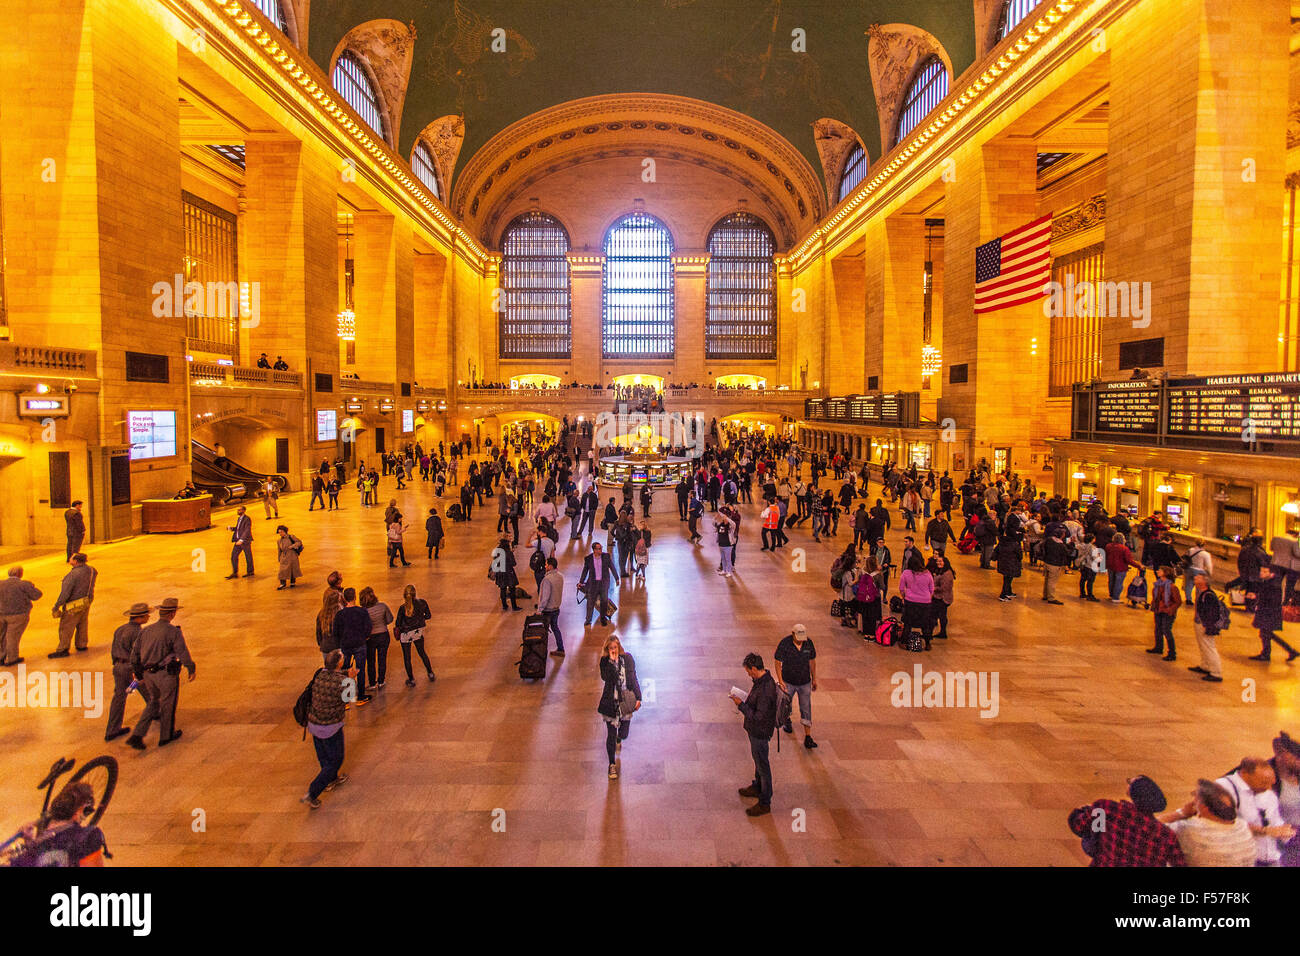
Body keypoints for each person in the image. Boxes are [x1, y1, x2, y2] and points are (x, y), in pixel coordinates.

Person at [1067, 775, 1185, 866]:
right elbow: (1179, 863)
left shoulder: (1107, 808)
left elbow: (1078, 825)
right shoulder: (1166, 836)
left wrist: (1087, 810)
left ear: (1131, 792)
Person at [125, 597, 196, 750]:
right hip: (165, 675)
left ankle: (137, 734)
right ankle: (166, 735)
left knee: (152, 702)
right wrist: (191, 667)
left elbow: (134, 655)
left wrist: (139, 673)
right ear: (172, 614)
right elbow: (182, 651)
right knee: (168, 703)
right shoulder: (172, 631)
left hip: (148, 674)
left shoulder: (146, 631)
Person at [1157, 780, 1263, 866]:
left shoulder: (1188, 830)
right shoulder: (1242, 827)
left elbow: (1149, 826)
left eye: (1196, 798)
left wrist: (1181, 813)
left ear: (1204, 808)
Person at [6, 781, 107, 867]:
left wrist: (28, 842)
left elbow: (35, 859)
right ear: (79, 811)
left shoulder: (35, 846)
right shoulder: (86, 837)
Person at [1217, 758, 1294, 866]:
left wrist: (1285, 831)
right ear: (1245, 774)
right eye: (1263, 782)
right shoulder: (1224, 787)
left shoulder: (1268, 794)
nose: (1268, 788)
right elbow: (1224, 824)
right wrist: (1266, 830)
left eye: (1270, 783)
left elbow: (1275, 821)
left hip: (1272, 858)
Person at [300, 650, 352, 809]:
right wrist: (352, 678)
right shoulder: (343, 682)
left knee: (323, 757)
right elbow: (349, 698)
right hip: (330, 727)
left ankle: (332, 780)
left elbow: (332, 677)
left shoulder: (319, 675)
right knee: (335, 760)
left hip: (314, 724)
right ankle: (312, 792)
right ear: (339, 663)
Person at [732, 652, 778, 817]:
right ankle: (757, 786)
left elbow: (758, 717)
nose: (748, 674)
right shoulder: (761, 681)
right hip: (756, 731)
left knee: (763, 765)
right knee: (758, 761)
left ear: (754, 668)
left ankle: (765, 802)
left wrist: (741, 705)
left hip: (760, 731)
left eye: (748, 671)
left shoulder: (766, 689)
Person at [597, 635, 641, 779]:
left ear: (619, 647)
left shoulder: (627, 659)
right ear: (607, 649)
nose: (613, 650)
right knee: (610, 733)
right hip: (611, 701)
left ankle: (619, 739)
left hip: (626, 700)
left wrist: (639, 697)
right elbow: (605, 677)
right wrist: (611, 662)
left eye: (615, 647)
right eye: (611, 648)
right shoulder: (604, 662)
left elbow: (633, 678)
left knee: (624, 733)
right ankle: (611, 765)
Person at [105, 601, 150, 742]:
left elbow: (113, 650)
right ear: (140, 617)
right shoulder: (138, 632)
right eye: (146, 615)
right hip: (131, 671)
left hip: (118, 668)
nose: (148, 617)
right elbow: (138, 654)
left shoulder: (120, 629)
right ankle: (156, 715)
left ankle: (112, 730)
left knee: (120, 696)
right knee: (149, 694)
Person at [773, 625, 818, 749]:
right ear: (792, 634)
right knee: (786, 704)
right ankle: (787, 720)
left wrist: (814, 678)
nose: (801, 640)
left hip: (804, 682)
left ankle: (808, 736)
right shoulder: (785, 644)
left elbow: (812, 661)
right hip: (789, 681)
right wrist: (781, 681)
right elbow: (777, 662)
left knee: (806, 707)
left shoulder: (808, 644)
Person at [49, 553, 96, 658]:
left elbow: (65, 593)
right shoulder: (92, 570)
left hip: (73, 604)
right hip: (86, 601)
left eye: (71, 557)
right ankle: (81, 644)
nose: (69, 559)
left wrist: (57, 606)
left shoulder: (72, 575)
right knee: (82, 624)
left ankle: (63, 649)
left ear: (75, 561)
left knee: (66, 627)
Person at [1248, 566, 1299, 663]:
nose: (1261, 573)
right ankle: (1289, 651)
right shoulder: (1269, 581)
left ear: (1271, 573)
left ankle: (1267, 654)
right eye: (1261, 571)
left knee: (1266, 633)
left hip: (1269, 614)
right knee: (1266, 634)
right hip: (1268, 613)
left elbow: (1272, 600)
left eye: (1264, 571)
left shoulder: (1273, 585)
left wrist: (1259, 600)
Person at [333, 588, 372, 705]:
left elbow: (336, 632)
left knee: (346, 670)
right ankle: (360, 696)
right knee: (359, 669)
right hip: (360, 644)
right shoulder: (362, 612)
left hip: (345, 645)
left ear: (344, 599)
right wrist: (364, 637)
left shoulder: (340, 615)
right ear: (354, 597)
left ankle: (346, 699)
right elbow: (368, 628)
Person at [394, 584, 435, 686]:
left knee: (407, 657)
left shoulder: (402, 608)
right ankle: (430, 673)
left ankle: (411, 679)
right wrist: (420, 619)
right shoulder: (422, 603)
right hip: (417, 632)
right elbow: (428, 616)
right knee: (422, 653)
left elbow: (398, 623)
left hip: (406, 634)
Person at [0, 566, 42, 666]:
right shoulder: (24, 584)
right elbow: (37, 595)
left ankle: (1, 656)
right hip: (18, 615)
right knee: (13, 637)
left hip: (1, 614)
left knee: (2, 636)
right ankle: (12, 658)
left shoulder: (0, 583)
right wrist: (32, 587)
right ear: (20, 574)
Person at [1188, 575, 1225, 683]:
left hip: (1205, 625)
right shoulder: (1202, 592)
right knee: (1203, 646)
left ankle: (1216, 672)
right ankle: (1205, 666)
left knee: (1209, 647)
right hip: (1200, 623)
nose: (1194, 579)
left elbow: (1212, 613)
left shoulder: (1208, 595)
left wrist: (1207, 626)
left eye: (1198, 578)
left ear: (1204, 582)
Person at [898, 552, 936, 650]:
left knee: (908, 623)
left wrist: (904, 597)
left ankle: (903, 642)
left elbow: (901, 588)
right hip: (925, 603)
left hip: (910, 601)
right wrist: (927, 598)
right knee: (925, 624)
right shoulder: (927, 574)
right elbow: (932, 589)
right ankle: (927, 644)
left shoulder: (906, 573)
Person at [359, 586, 393, 692]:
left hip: (370, 638)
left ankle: (372, 683)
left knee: (371, 660)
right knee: (382, 659)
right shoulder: (382, 606)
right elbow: (389, 619)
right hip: (383, 634)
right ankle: (381, 681)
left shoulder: (363, 611)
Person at [579, 542, 619, 626]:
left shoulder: (606, 557)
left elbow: (612, 567)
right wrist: (581, 582)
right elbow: (585, 571)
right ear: (594, 550)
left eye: (601, 548)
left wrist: (617, 578)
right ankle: (588, 620)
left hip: (603, 583)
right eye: (599, 548)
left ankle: (603, 618)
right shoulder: (588, 559)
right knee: (590, 602)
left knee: (604, 601)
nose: (601, 550)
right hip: (593, 584)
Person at [1147, 565, 1182, 661]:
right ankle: (1158, 647)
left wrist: (1170, 610)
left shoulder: (1172, 587)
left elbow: (1178, 601)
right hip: (1158, 610)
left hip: (1167, 612)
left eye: (1160, 570)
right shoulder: (1158, 585)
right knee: (1158, 629)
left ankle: (1172, 653)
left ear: (1166, 573)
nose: (1158, 571)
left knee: (1167, 631)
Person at [538, 557, 565, 656]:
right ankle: (561, 649)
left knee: (543, 631)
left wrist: (539, 610)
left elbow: (545, 597)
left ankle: (541, 651)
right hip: (556, 608)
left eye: (546, 564)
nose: (545, 566)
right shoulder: (560, 576)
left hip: (548, 610)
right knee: (555, 628)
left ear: (550, 566)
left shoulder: (547, 579)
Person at [927, 553, 955, 641]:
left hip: (942, 598)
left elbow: (944, 588)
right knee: (942, 615)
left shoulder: (947, 574)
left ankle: (930, 634)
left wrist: (933, 588)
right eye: (937, 561)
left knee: (933, 615)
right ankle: (942, 632)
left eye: (940, 561)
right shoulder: (941, 571)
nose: (938, 563)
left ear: (945, 562)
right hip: (940, 597)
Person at [490, 538, 520, 611]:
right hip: (509, 573)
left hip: (500, 573)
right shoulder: (508, 552)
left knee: (502, 589)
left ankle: (504, 605)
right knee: (512, 589)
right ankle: (514, 606)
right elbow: (514, 563)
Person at [1040, 529, 1070, 605]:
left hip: (1047, 562)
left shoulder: (1049, 540)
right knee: (1052, 582)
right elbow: (1067, 553)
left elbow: (1042, 546)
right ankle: (1051, 598)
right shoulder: (1060, 545)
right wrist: (1071, 544)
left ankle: (1045, 595)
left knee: (1047, 580)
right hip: (1055, 564)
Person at [225, 506, 254, 579]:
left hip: (245, 541)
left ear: (244, 510)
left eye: (239, 510)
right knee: (233, 556)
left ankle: (250, 571)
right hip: (238, 541)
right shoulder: (239, 519)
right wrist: (231, 528)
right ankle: (235, 572)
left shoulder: (247, 519)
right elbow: (238, 529)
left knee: (248, 556)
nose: (238, 511)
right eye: (237, 510)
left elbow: (247, 530)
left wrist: (242, 540)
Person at [275, 525, 302, 590]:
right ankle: (282, 583)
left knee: (292, 569)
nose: (280, 534)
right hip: (284, 557)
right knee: (282, 570)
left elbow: (299, 542)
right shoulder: (279, 541)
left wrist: (293, 546)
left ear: (285, 531)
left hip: (292, 556)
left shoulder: (291, 537)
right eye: (279, 532)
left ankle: (292, 582)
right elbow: (279, 550)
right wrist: (279, 558)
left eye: (281, 532)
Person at [996, 534, 1022, 602]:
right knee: (1008, 579)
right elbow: (1020, 555)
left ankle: (1008, 592)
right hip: (1011, 564)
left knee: (1006, 578)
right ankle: (1003, 595)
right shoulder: (1015, 544)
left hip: (1002, 563)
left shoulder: (1002, 542)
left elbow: (996, 551)